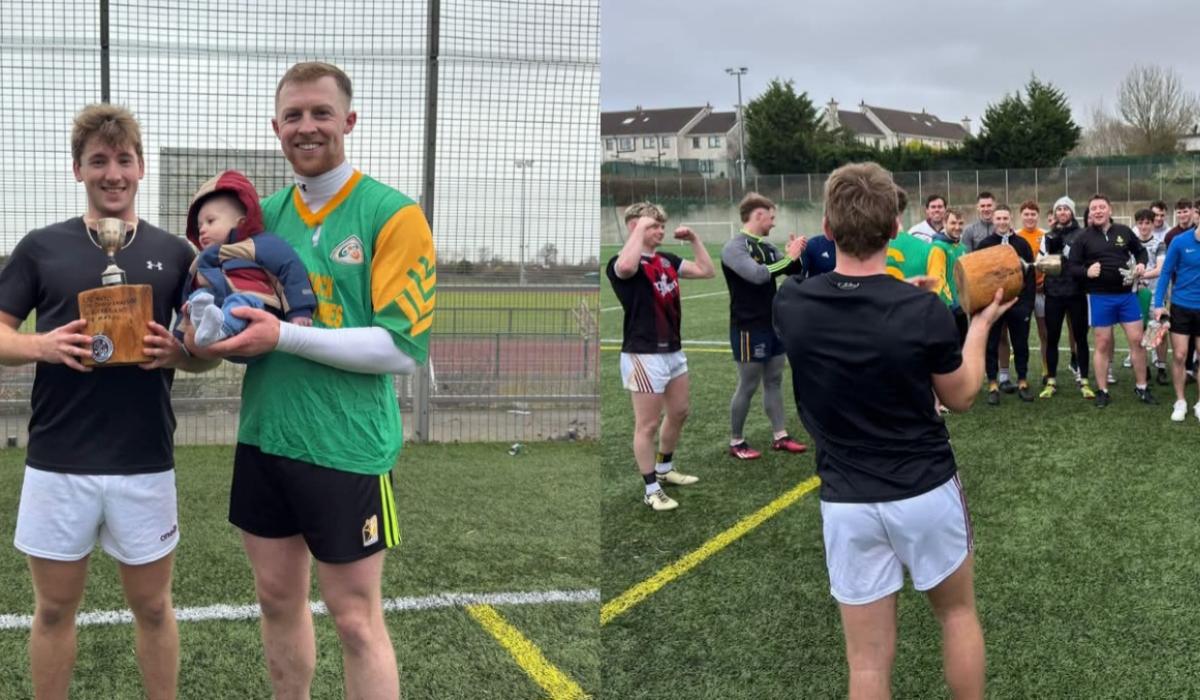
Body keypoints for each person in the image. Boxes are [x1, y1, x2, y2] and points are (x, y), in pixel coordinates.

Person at [186, 62, 433, 698]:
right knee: (275, 601)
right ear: (277, 128)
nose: (307, 126)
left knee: (354, 620)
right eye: (293, 115)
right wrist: (192, 340)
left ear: (348, 121)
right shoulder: (259, 218)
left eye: (321, 113)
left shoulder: (394, 214)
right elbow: (231, 313)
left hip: (347, 446)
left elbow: (400, 347)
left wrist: (285, 335)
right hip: (266, 436)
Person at [0, 103, 217, 700]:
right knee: (51, 611)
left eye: (124, 159)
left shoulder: (177, 255)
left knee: (152, 609)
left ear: (141, 166)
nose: (112, 173)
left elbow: (209, 348)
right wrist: (40, 345)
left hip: (144, 460)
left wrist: (181, 354)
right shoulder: (42, 248)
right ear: (79, 170)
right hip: (58, 461)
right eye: (99, 161)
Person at [774, 162, 1012, 700]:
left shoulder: (791, 304)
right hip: (925, 490)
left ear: (827, 229)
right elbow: (962, 394)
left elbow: (850, 303)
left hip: (846, 501)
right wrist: (979, 325)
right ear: (894, 229)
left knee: (866, 665)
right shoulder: (922, 309)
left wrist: (899, 293)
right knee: (956, 616)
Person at [608, 202, 714, 509]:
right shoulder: (621, 262)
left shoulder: (667, 259)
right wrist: (640, 226)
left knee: (680, 412)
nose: (660, 231)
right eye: (654, 225)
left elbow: (707, 271)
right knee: (648, 425)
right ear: (634, 227)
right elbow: (626, 269)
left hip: (673, 351)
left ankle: (665, 470)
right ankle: (651, 489)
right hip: (643, 354)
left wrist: (694, 240)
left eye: (661, 225)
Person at [179, 170, 316, 346]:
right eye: (199, 227)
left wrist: (299, 311)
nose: (203, 230)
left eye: (210, 221)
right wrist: (180, 333)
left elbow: (290, 268)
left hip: (257, 306)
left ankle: (220, 330)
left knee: (239, 301)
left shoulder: (260, 244)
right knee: (199, 296)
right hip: (219, 305)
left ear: (241, 222)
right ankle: (204, 326)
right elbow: (187, 288)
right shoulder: (202, 259)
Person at [720, 193, 807, 459]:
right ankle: (737, 441)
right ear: (758, 215)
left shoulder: (767, 247)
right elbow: (757, 276)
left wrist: (796, 256)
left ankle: (780, 436)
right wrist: (788, 258)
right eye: (771, 217)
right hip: (748, 326)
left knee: (774, 380)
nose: (773, 222)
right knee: (748, 384)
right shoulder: (734, 248)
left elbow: (794, 272)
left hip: (773, 324)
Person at [1067, 193, 1155, 408]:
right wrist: (1087, 271)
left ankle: (1142, 386)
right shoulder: (1083, 238)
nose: (1098, 211)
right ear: (1090, 213)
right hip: (1099, 298)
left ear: (1110, 210)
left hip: (1127, 296)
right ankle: (1102, 390)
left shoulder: (1124, 232)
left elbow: (1140, 251)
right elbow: (1071, 266)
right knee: (1103, 344)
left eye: (1101, 207)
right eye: (1094, 208)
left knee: (1137, 341)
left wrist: (1142, 264)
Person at [977, 205, 1036, 404]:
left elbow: (1030, 275)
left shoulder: (1022, 243)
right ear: (993, 220)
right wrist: (985, 305)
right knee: (991, 343)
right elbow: (979, 276)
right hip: (993, 304)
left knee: (1021, 344)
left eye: (1005, 218)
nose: (1002, 222)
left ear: (1011, 219)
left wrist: (1027, 304)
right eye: (998, 218)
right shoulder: (985, 244)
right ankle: (993, 384)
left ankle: (1022, 381)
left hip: (1018, 304)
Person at [1039, 197, 1094, 399]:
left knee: (1080, 338)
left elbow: (1088, 261)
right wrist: (1051, 260)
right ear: (1054, 214)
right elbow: (1041, 263)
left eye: (1066, 209)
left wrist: (1069, 260)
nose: (1062, 212)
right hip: (1053, 293)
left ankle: (1084, 380)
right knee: (1052, 337)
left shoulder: (1083, 234)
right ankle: (1051, 381)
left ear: (1072, 212)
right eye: (1058, 209)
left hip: (1076, 293)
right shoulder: (1048, 236)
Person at [1153, 215, 1200, 421]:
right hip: (1181, 306)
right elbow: (1165, 273)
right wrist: (1158, 304)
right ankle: (1180, 401)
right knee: (1180, 355)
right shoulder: (1180, 241)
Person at [1130, 208, 1169, 385]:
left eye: (1148, 223)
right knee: (1140, 333)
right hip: (1136, 294)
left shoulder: (1160, 244)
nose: (1144, 226)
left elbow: (1160, 270)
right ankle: (1143, 367)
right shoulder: (1131, 245)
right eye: (1141, 223)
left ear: (1153, 224)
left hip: (1155, 295)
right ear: (1136, 224)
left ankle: (1161, 367)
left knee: (1158, 331)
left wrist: (1140, 275)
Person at [1016, 201, 1049, 384]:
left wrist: (1044, 282)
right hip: (1024, 294)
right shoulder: (1015, 237)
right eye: (1026, 214)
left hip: (1042, 291)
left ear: (1038, 216)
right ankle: (1023, 374)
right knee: (1022, 334)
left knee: (1045, 333)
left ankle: (1046, 370)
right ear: (1021, 216)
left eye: (1033, 214)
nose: (1030, 217)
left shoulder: (1045, 235)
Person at [932, 208, 969, 344]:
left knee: (962, 348)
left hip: (961, 307)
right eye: (953, 223)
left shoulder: (962, 248)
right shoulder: (938, 247)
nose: (957, 227)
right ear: (944, 223)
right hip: (947, 308)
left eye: (960, 223)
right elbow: (938, 279)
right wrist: (951, 304)